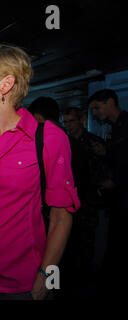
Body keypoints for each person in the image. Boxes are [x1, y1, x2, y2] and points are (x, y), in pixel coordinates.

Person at [0, 44, 80, 300]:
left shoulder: (49, 139)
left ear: (5, 85)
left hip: (19, 280)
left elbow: (61, 217)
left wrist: (46, 274)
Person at [60, 107, 112, 297]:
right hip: (68, 200)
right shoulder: (63, 142)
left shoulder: (94, 142)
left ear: (81, 120)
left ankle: (85, 283)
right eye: (65, 122)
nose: (68, 126)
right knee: (68, 242)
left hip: (89, 199)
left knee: (87, 242)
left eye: (71, 121)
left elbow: (106, 170)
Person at [88, 89, 128, 293]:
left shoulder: (126, 125)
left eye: (97, 107)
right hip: (118, 202)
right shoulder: (114, 129)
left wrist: (116, 181)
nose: (94, 113)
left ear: (110, 102)